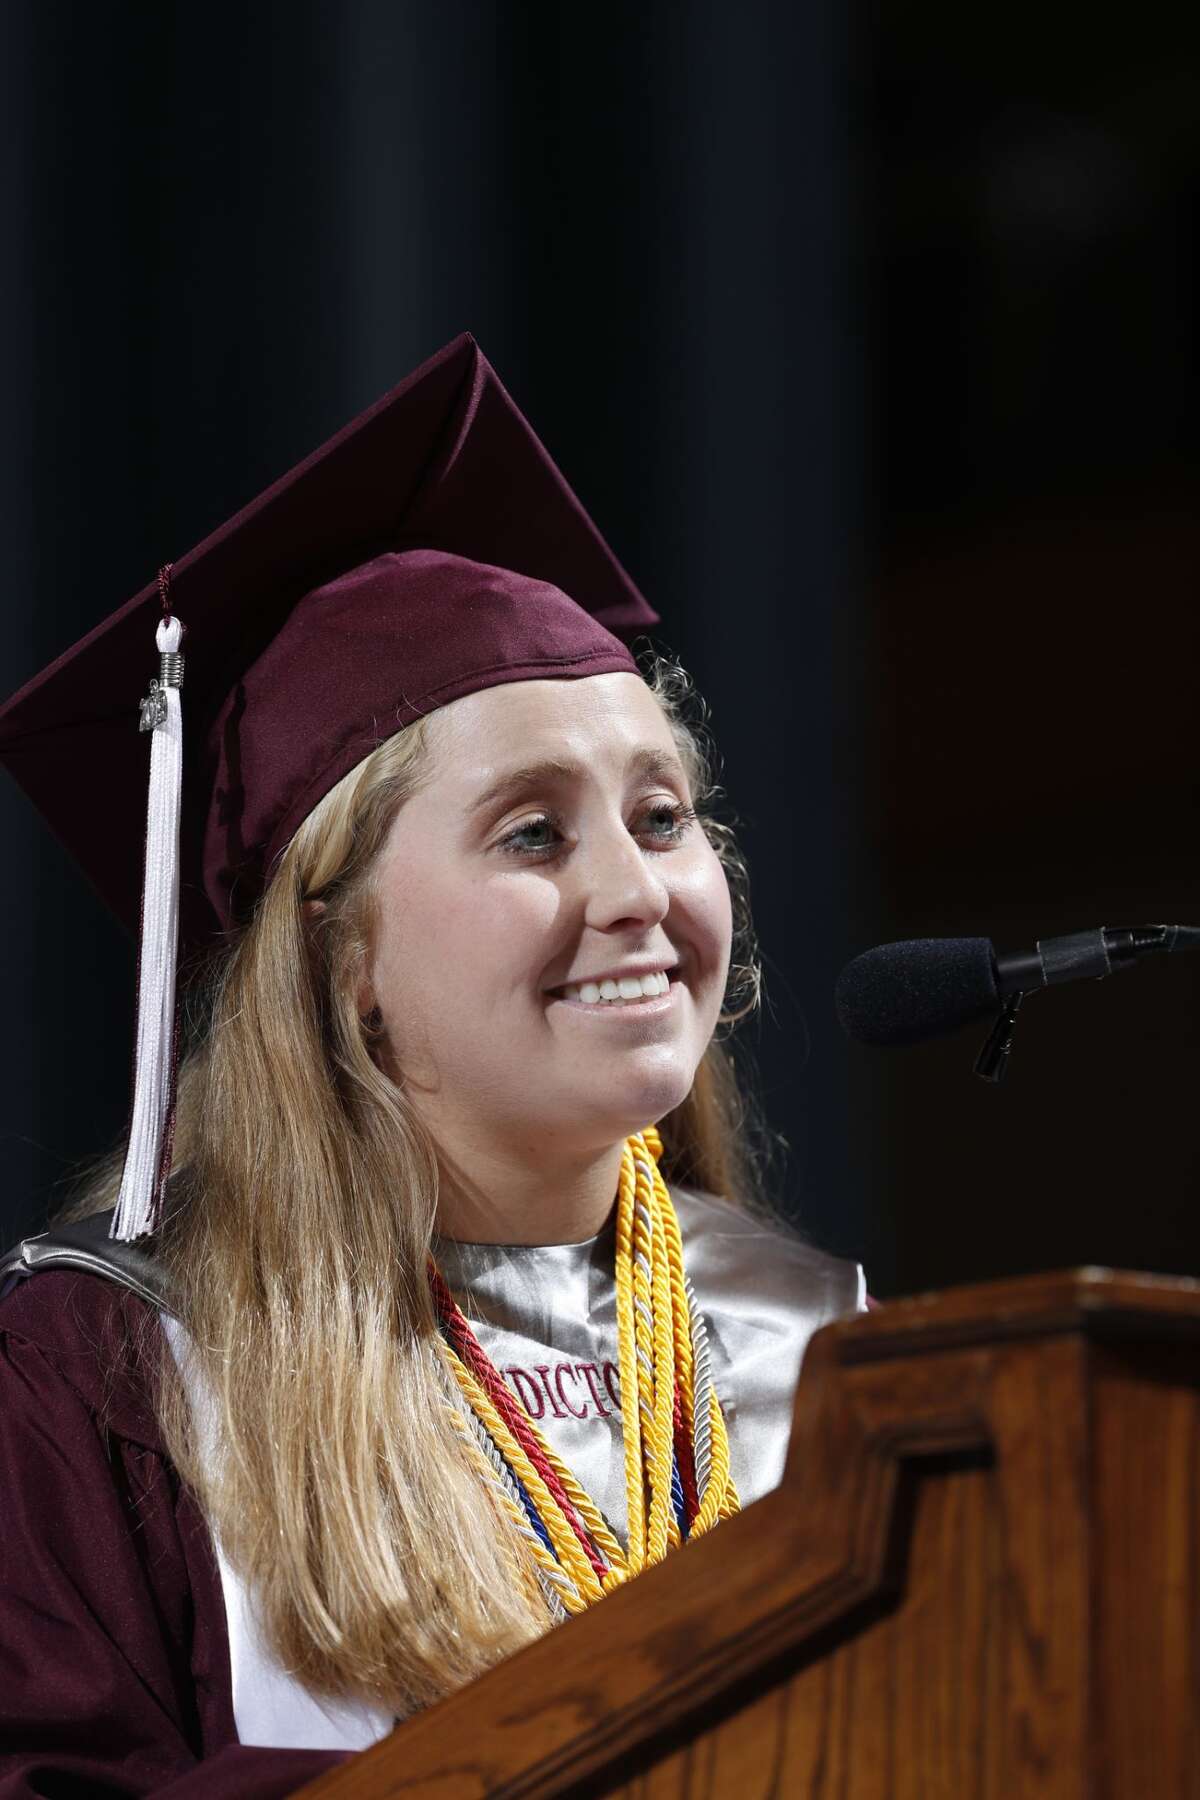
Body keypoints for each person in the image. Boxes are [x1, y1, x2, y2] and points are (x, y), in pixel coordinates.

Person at [0, 335, 864, 1796]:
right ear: (343, 965)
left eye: (663, 816)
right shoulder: (112, 1375)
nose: (638, 890)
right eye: (534, 833)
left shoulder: (820, 1342)